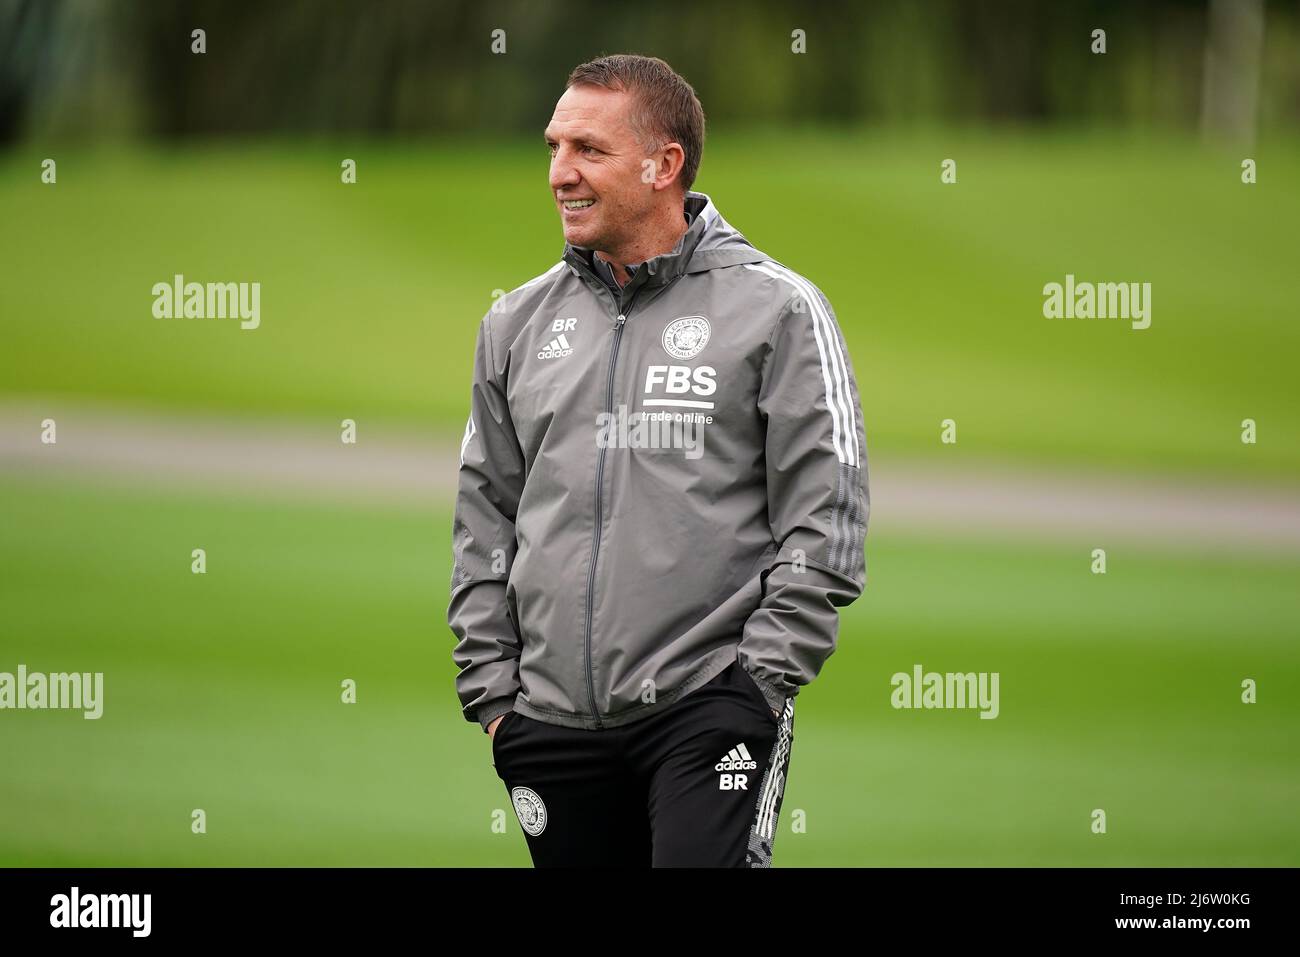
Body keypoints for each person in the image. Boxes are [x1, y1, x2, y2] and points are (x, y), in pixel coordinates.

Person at [448, 53, 868, 867]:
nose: (559, 173)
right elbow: (482, 515)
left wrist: (757, 687)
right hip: (550, 722)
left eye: (588, 151)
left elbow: (828, 518)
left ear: (664, 163)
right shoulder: (516, 322)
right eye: (554, 146)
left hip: (706, 710)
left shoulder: (778, 309)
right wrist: (496, 695)